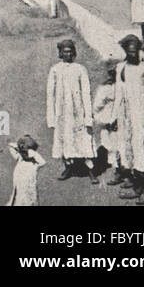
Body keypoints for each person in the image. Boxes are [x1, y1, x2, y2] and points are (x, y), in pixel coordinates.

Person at [112, 34, 144, 204]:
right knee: (128, 150)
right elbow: (118, 94)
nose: (133, 55)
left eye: (135, 51)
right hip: (126, 117)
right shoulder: (120, 67)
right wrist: (115, 117)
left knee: (142, 152)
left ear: (139, 51)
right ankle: (136, 187)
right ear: (125, 51)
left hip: (140, 118)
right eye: (129, 52)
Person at [46, 38, 96, 182]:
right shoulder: (55, 70)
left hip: (78, 110)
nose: (67, 54)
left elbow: (86, 92)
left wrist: (88, 115)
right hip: (62, 112)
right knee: (64, 137)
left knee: (84, 137)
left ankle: (91, 170)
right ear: (60, 53)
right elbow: (50, 94)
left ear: (74, 53)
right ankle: (68, 167)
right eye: (64, 52)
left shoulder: (80, 69)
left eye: (70, 52)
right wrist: (52, 117)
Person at [6, 136, 46, 206]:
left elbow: (42, 162)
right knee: (20, 195)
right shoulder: (21, 159)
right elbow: (11, 147)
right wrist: (20, 147)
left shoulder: (30, 162)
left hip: (28, 184)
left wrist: (30, 152)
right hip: (20, 183)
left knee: (26, 197)